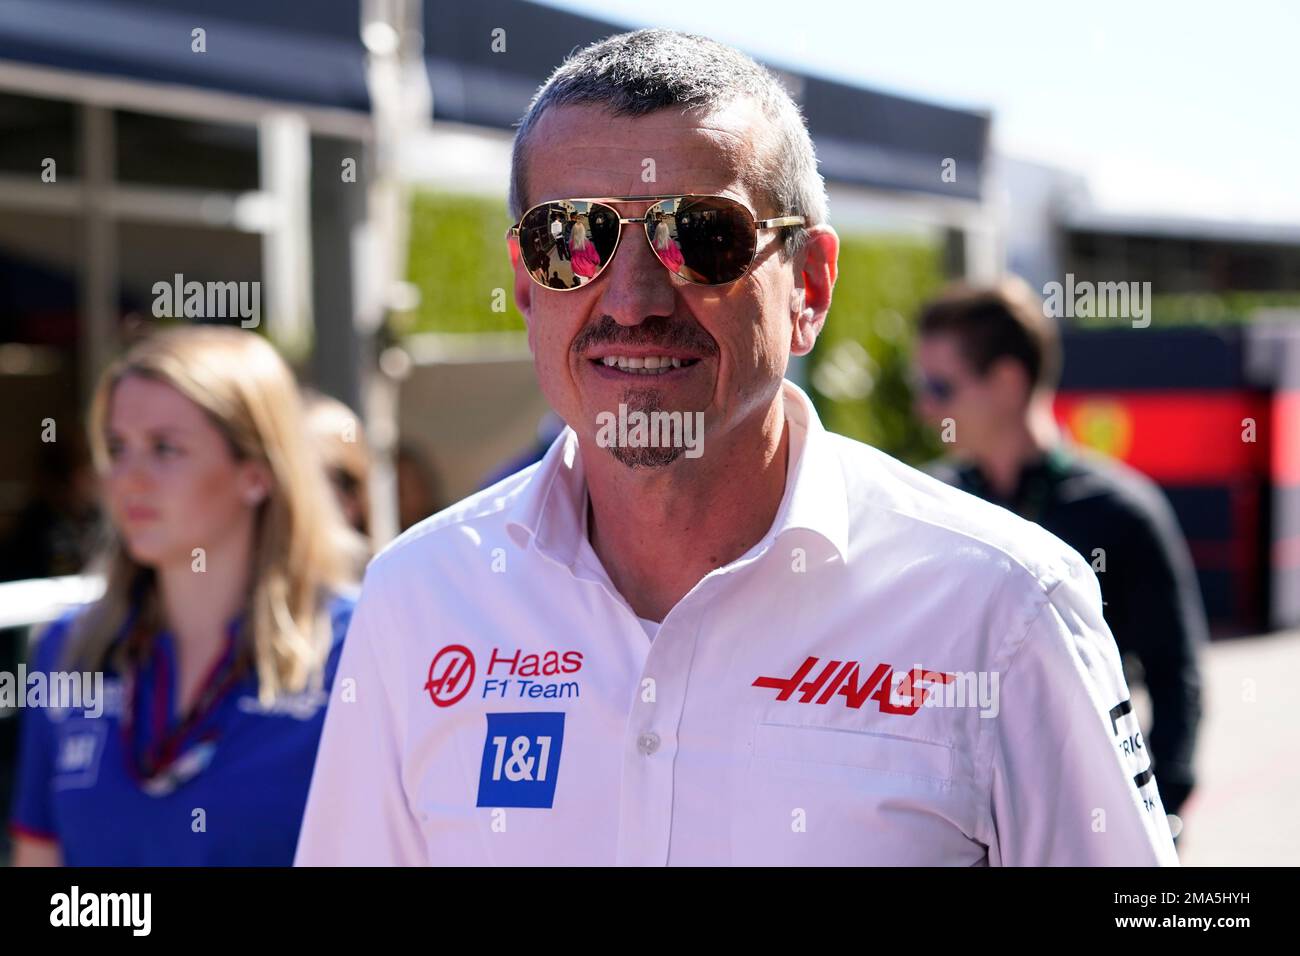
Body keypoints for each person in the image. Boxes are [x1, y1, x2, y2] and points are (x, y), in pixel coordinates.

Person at [296, 29, 1177, 866]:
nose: (634, 297)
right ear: (528, 287)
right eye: (574, 239)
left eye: (701, 237)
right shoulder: (419, 596)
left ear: (811, 286)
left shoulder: (1005, 605)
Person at [10, 326, 357, 866]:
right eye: (117, 448)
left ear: (256, 473)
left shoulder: (355, 649)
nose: (128, 478)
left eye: (165, 449)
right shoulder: (68, 648)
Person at [912, 278, 1206, 829]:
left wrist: (1158, 814)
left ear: (1005, 382)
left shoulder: (1123, 510)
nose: (925, 408)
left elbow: (1175, 676)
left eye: (939, 387)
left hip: (1085, 816)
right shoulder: (932, 503)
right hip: (954, 816)